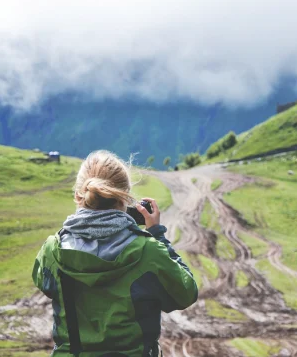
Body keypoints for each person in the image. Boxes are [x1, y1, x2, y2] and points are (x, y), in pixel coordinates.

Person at [32, 150, 197, 357]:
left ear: (78, 196)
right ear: (124, 200)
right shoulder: (148, 250)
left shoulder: (52, 250)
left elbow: (44, 283)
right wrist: (157, 234)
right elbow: (185, 294)